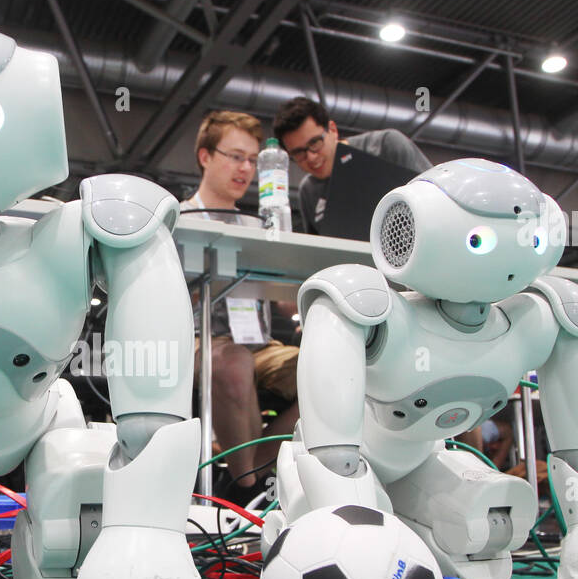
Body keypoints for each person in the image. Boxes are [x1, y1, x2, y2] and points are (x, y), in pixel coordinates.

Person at [181, 110, 298, 503]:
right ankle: (247, 483)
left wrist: (290, 261)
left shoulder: (259, 225)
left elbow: (284, 305)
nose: (245, 168)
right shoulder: (179, 219)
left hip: (260, 343)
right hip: (197, 341)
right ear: (205, 156)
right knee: (232, 361)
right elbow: (162, 300)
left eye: (252, 160)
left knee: (335, 368)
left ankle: (252, 470)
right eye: (235, 156)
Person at [273, 96, 432, 235]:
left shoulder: (385, 146)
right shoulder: (308, 191)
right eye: (298, 153)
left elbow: (437, 196)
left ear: (333, 130)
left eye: (315, 142)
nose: (311, 157)